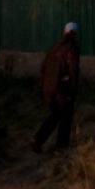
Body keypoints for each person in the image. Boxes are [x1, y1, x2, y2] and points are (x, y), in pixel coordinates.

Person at [32, 21, 81, 153]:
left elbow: (43, 68)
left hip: (48, 89)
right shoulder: (71, 49)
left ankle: (38, 140)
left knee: (56, 115)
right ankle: (61, 146)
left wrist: (41, 86)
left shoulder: (54, 47)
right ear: (73, 33)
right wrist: (74, 89)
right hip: (62, 89)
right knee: (66, 116)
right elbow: (73, 71)